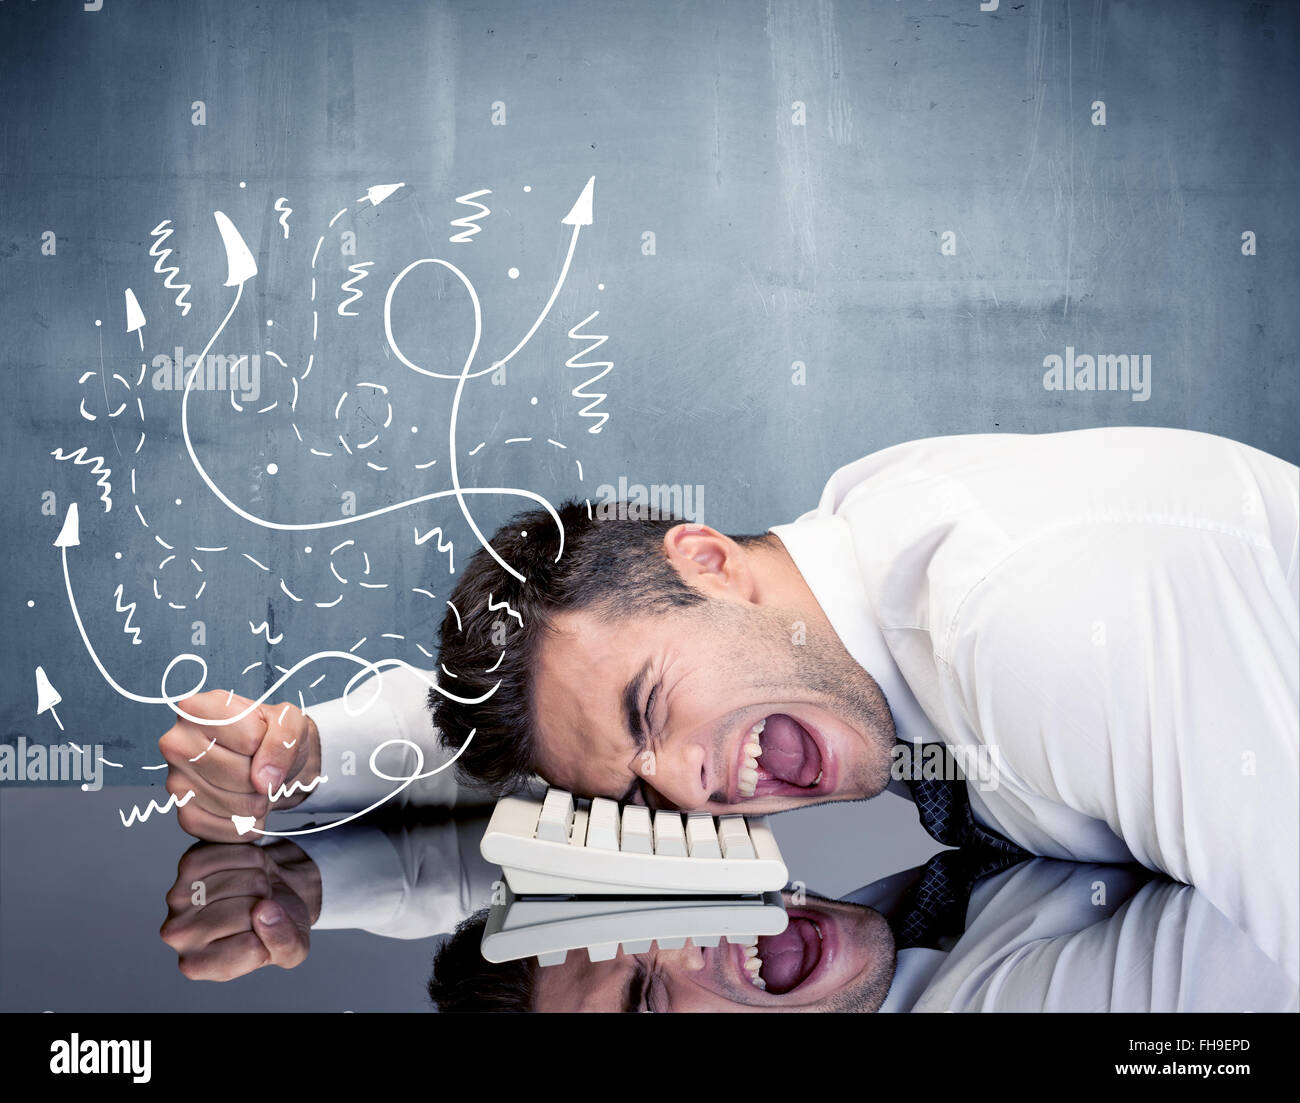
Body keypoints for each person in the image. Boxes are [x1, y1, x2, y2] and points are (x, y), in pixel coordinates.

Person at [158, 427, 1299, 982]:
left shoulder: (1027, 615)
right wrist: (303, 755)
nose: (691, 788)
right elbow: (572, 721)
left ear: (703, 554)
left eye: (653, 707)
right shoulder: (832, 578)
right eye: (640, 787)